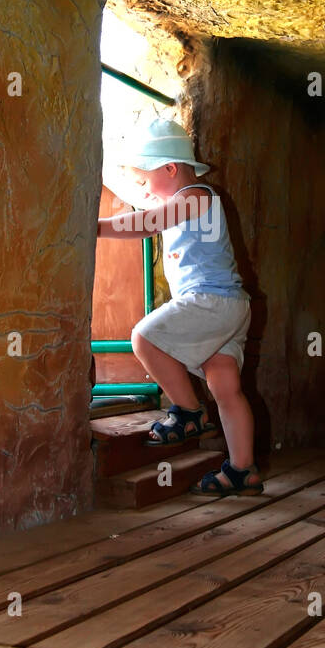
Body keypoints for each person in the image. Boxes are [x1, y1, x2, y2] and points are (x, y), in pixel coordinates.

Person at [97, 117, 263, 493]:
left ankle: (189, 412)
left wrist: (95, 227)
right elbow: (149, 204)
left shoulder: (195, 196)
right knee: (226, 388)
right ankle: (243, 469)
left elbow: (146, 222)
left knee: (145, 337)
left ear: (171, 168)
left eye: (147, 177)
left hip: (210, 301)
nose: (143, 187)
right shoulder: (183, 199)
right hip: (230, 308)